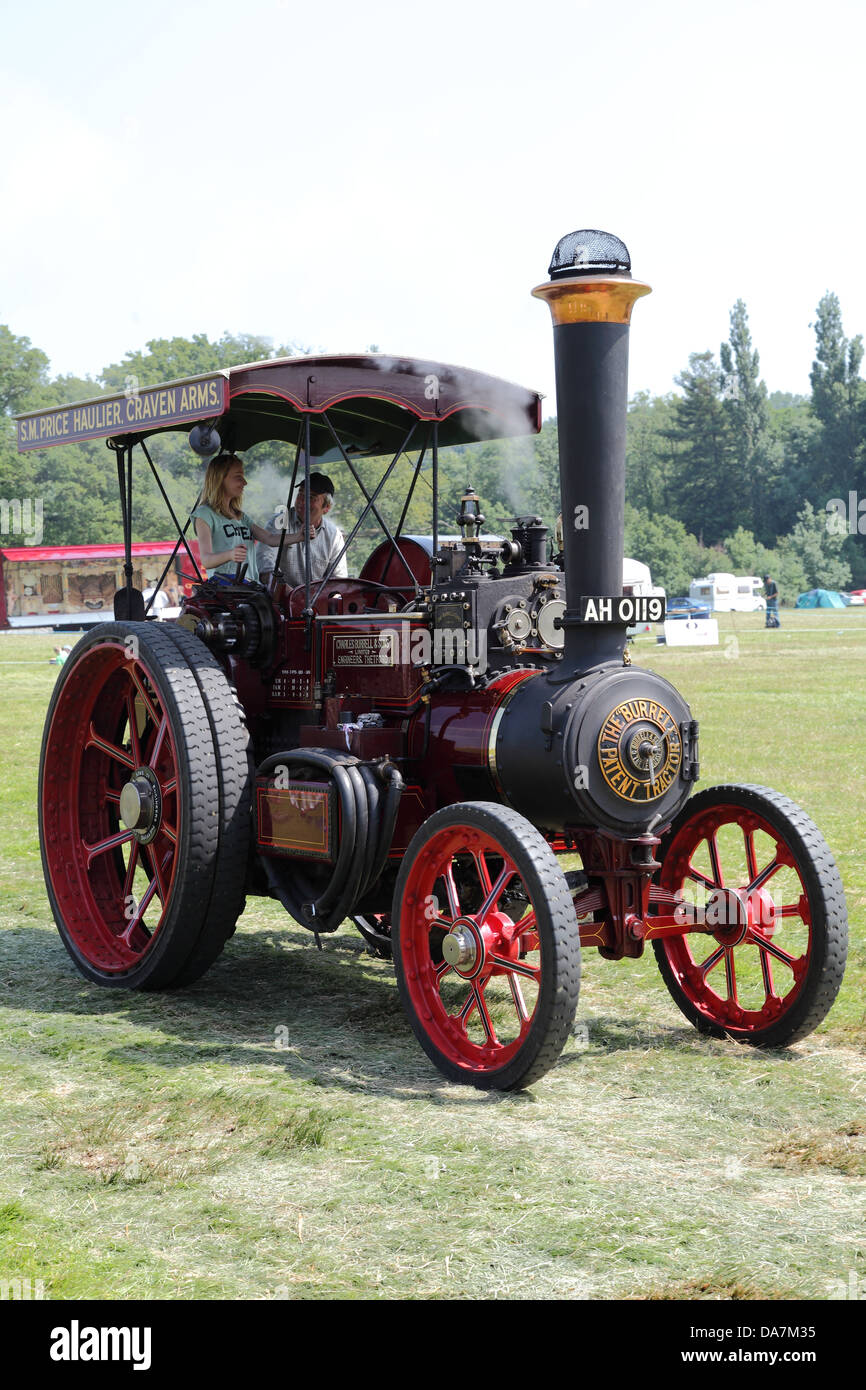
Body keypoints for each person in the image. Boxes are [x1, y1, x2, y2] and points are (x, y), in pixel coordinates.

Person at [191, 454, 290, 583]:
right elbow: (206, 560)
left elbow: (270, 539)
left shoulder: (241, 516)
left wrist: (300, 536)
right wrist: (230, 555)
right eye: (238, 477)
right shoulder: (204, 514)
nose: (244, 482)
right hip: (226, 588)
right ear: (220, 479)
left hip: (250, 586)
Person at [257, 471, 348, 588]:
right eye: (300, 494)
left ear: (327, 507)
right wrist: (282, 589)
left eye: (311, 497)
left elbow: (338, 581)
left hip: (315, 601)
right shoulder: (280, 522)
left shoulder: (334, 536)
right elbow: (265, 563)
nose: (303, 502)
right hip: (277, 599)